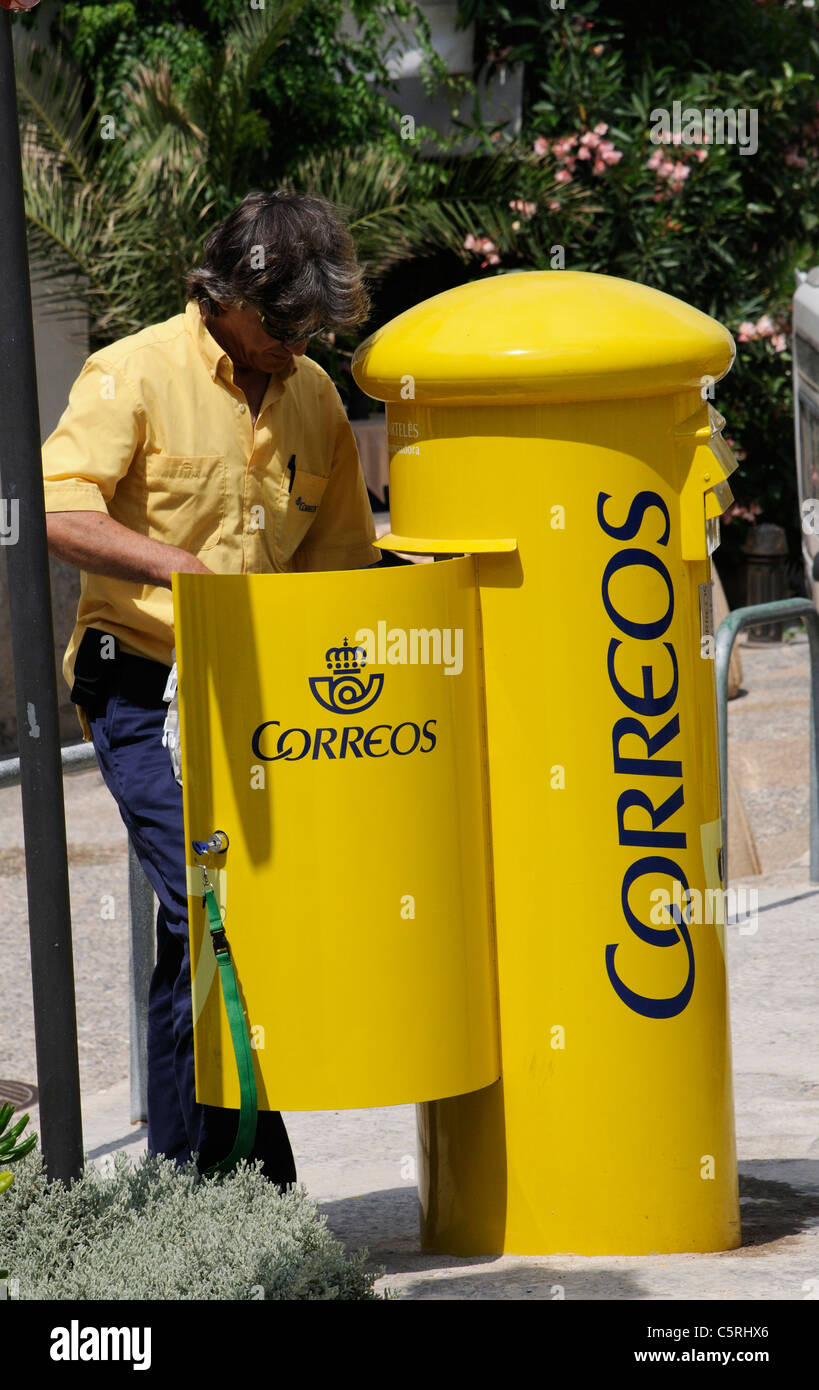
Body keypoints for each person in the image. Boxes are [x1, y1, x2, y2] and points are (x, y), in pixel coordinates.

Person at [43, 190, 381, 1185]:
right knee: (211, 902)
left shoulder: (313, 397)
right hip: (142, 684)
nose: (297, 342)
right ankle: (238, 1176)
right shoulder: (134, 372)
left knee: (218, 919)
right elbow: (59, 509)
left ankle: (191, 1178)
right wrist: (172, 566)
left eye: (314, 326)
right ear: (228, 293)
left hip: (257, 695)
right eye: (283, 322)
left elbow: (341, 567)